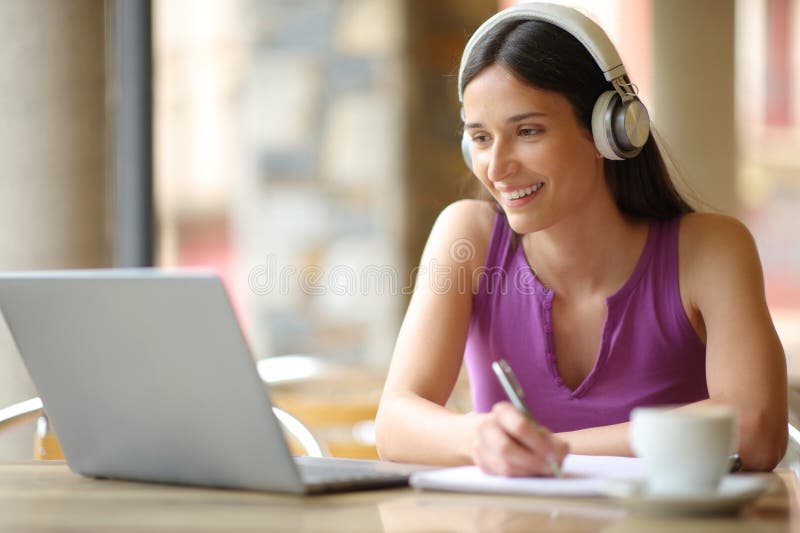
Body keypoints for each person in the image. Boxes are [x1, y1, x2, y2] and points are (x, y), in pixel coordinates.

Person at [374, 2, 788, 476]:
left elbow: (756, 431)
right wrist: (479, 438)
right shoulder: (466, 234)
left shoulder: (711, 250)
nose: (497, 166)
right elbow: (394, 424)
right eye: (482, 138)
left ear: (609, 130)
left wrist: (553, 451)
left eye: (527, 131)